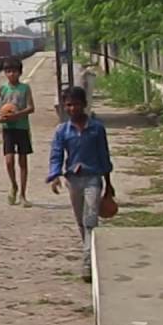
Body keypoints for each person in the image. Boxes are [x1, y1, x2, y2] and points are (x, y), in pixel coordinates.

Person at [47, 86, 114, 282]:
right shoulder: (62, 131)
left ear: (84, 105)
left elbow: (104, 156)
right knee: (80, 221)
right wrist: (55, 176)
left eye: (76, 104)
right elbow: (56, 154)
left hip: (93, 178)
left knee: (90, 219)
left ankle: (87, 264)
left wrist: (108, 184)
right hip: (73, 180)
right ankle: (90, 250)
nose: (72, 108)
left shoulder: (96, 128)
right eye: (68, 105)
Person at [0, 57, 35, 206]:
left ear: (20, 72)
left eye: (14, 71)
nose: (11, 74)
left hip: (22, 128)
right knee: (9, 161)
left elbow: (31, 107)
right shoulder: (2, 89)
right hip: (8, 129)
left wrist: (17, 115)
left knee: (23, 162)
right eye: (8, 71)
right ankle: (14, 185)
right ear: (5, 73)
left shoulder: (25, 88)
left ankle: (23, 195)